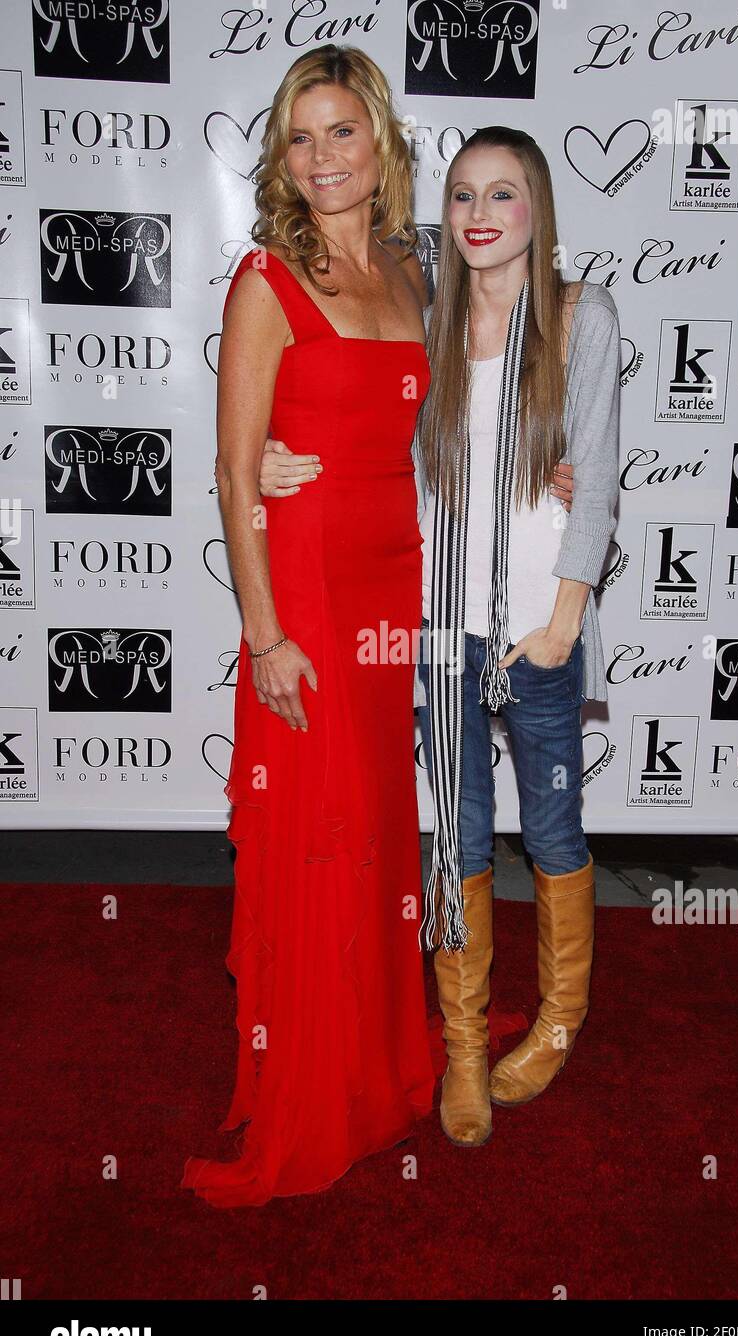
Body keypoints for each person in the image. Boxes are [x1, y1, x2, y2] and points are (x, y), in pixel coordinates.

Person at [259, 125, 621, 1152]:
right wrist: (275, 457)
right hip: (441, 633)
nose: (479, 213)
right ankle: (463, 1044)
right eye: (463, 194)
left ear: (537, 210)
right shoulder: (429, 314)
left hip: (538, 635)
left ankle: (557, 1020)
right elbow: (361, 417)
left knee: (549, 834)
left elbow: (592, 475)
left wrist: (562, 622)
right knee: (456, 837)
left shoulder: (583, 317)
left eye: (503, 195)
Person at [180, 44, 435, 1208]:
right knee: (322, 834)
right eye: (301, 136)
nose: (323, 157)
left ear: (380, 143)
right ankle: (312, 1088)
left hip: (395, 584)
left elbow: (441, 426)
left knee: (380, 828)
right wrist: (268, 634)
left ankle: (380, 1070)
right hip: (312, 601)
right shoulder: (263, 283)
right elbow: (235, 477)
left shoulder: (410, 273)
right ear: (282, 159)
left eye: (342, 131)